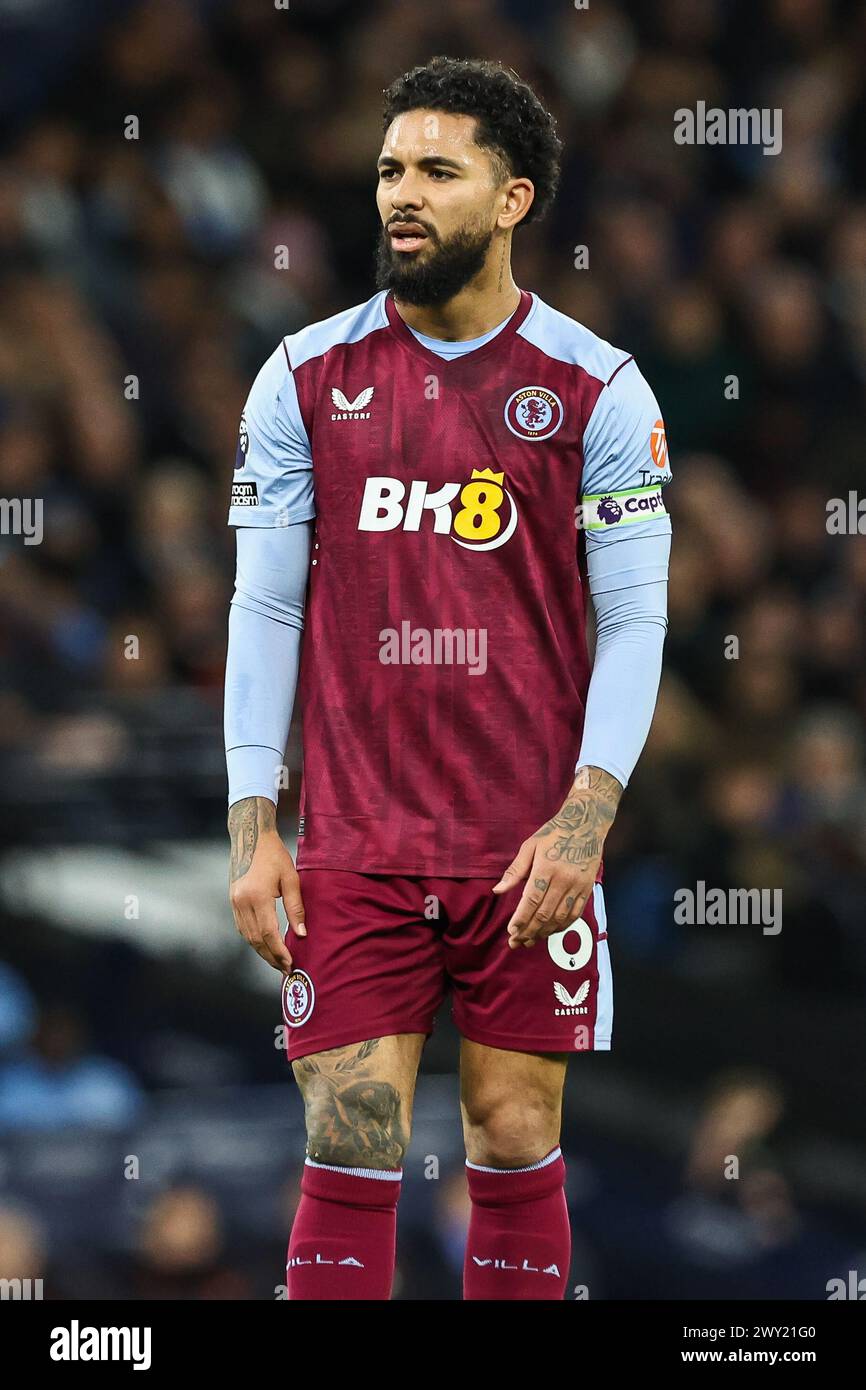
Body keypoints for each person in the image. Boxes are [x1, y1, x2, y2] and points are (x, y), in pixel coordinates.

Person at [224, 55, 672, 1300]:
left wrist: (586, 816)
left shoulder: (595, 388)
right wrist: (255, 822)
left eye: (435, 170)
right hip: (356, 840)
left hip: (525, 839)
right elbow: (263, 607)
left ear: (512, 199)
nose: (398, 197)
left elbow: (633, 618)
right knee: (349, 1131)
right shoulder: (304, 378)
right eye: (386, 171)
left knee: (513, 1129)